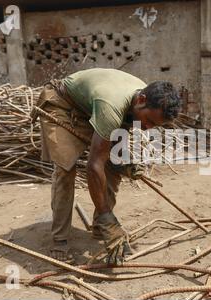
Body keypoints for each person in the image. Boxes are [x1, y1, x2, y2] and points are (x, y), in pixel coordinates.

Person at [36, 68, 182, 265]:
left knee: (114, 168)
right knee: (65, 168)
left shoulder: (139, 100)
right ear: (141, 100)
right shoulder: (111, 105)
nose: (148, 128)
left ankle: (100, 227)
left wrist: (125, 165)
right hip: (61, 104)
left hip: (90, 108)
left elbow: (115, 148)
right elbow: (94, 165)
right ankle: (61, 239)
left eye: (155, 126)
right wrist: (108, 216)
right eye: (148, 121)